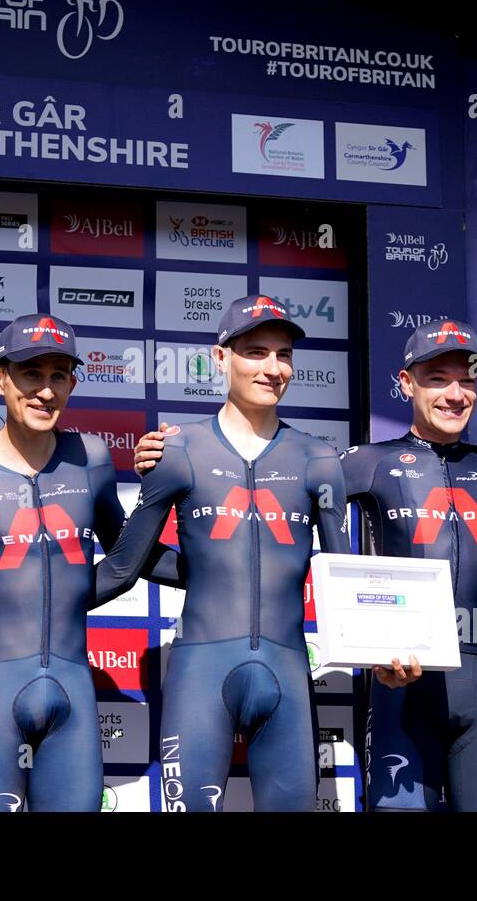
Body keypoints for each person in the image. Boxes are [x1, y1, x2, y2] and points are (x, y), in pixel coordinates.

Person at [95, 295, 353, 812]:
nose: (273, 368)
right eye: (256, 352)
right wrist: (19, 606)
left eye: (283, 355)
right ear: (220, 358)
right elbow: (125, 567)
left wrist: (386, 650)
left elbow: (341, 578)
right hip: (200, 673)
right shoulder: (178, 450)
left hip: (287, 677)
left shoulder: (319, 459)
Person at [0, 314, 176, 812]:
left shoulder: (93, 458)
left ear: (73, 383)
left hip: (72, 691)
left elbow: (128, 559)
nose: (45, 391)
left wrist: (221, 566)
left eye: (58, 375)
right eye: (30, 374)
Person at [339, 319, 477, 811]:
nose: (455, 394)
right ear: (406, 383)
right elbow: (276, 486)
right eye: (438, 378)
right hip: (402, 684)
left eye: (467, 379)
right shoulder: (366, 462)